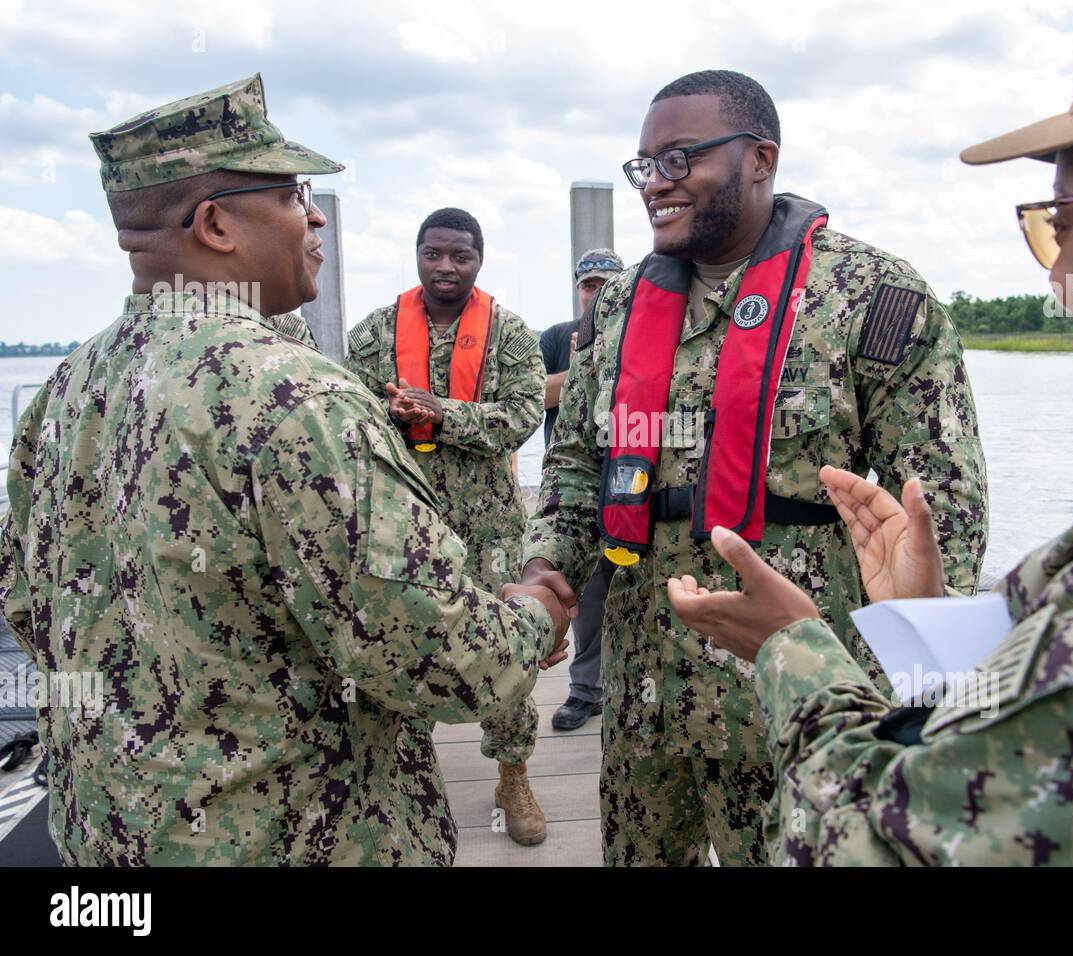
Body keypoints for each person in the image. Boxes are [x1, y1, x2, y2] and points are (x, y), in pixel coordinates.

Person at [668, 0, 1073, 866]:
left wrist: (794, 650)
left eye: (1062, 224)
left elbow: (878, 846)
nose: (1060, 272)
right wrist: (926, 632)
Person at [0, 74, 570, 866]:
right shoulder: (293, 396)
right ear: (215, 224)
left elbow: (28, 603)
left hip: (111, 836)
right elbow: (443, 659)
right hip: (295, 834)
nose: (312, 217)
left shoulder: (64, 390)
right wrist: (538, 612)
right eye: (295, 193)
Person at [523, 69, 988, 865]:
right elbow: (574, 465)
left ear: (760, 158)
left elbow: (942, 516)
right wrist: (543, 574)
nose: (654, 185)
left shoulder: (877, 297)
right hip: (645, 702)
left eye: (679, 160)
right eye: (644, 165)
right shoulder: (624, 304)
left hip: (800, 698)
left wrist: (928, 690)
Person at [344, 208, 551, 846]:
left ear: (478, 261)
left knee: (505, 646)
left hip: (488, 528)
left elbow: (521, 417)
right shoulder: (373, 333)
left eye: (459, 256)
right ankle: (405, 776)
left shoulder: (510, 333)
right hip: (400, 524)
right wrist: (391, 411)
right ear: (417, 255)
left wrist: (442, 414)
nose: (445, 267)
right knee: (398, 642)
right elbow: (345, 418)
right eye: (434, 254)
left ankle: (513, 774)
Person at [539, 249, 624, 731]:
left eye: (607, 282)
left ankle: (629, 690)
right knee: (584, 596)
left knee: (634, 591)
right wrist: (587, 372)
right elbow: (536, 396)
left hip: (632, 486)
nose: (597, 291)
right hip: (575, 489)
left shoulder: (638, 328)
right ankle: (583, 689)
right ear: (579, 287)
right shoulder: (555, 337)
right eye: (589, 284)